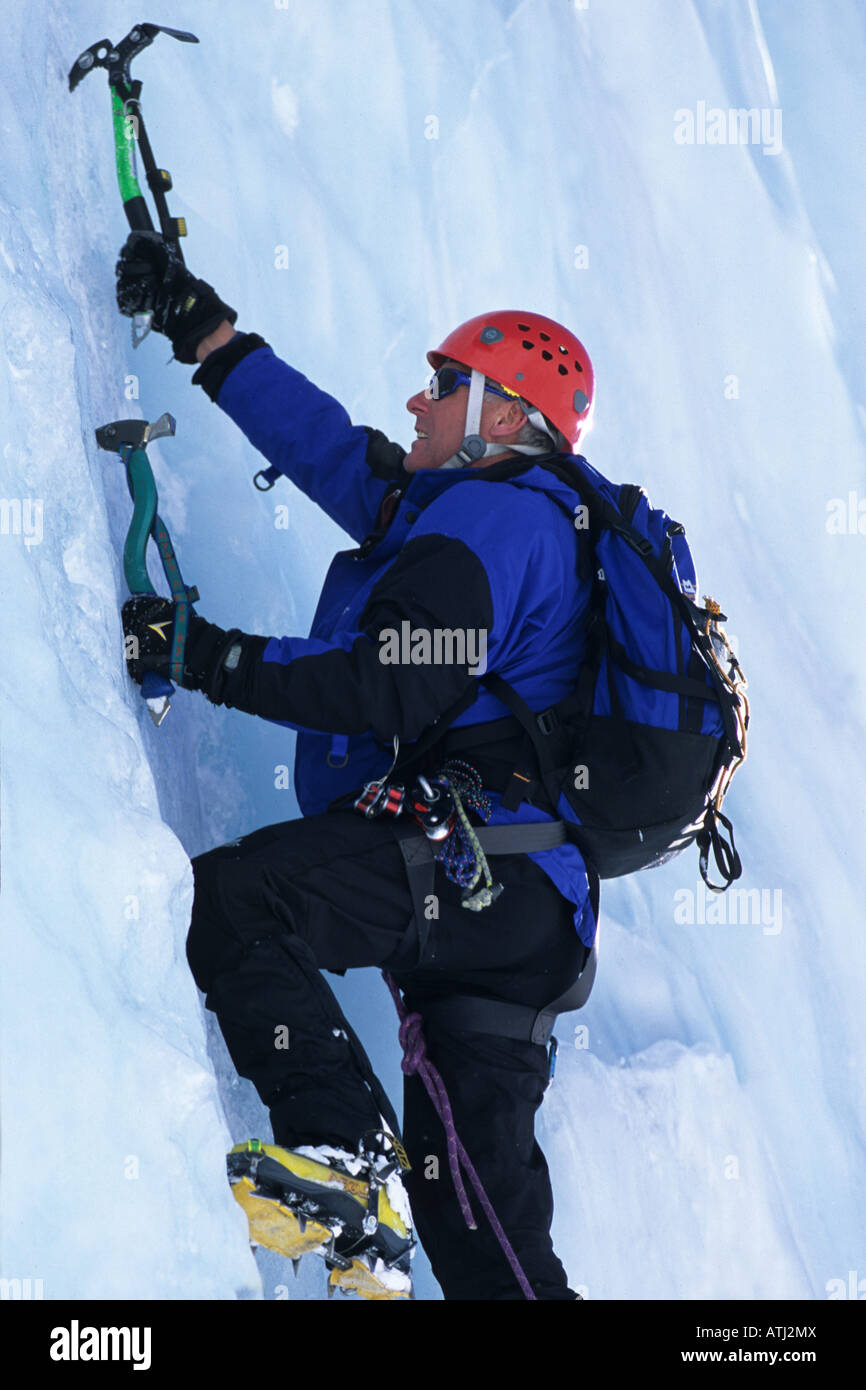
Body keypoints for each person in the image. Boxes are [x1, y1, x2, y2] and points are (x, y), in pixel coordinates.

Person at [116, 231, 598, 1301]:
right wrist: (213, 337)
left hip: (486, 870)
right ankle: (375, 1189)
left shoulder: (494, 523)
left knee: (242, 900)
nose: (420, 400)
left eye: (445, 384)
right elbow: (339, 454)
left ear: (506, 418)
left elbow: (387, 682)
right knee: (488, 1247)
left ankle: (345, 1151)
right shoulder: (480, 514)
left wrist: (209, 657)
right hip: (517, 907)